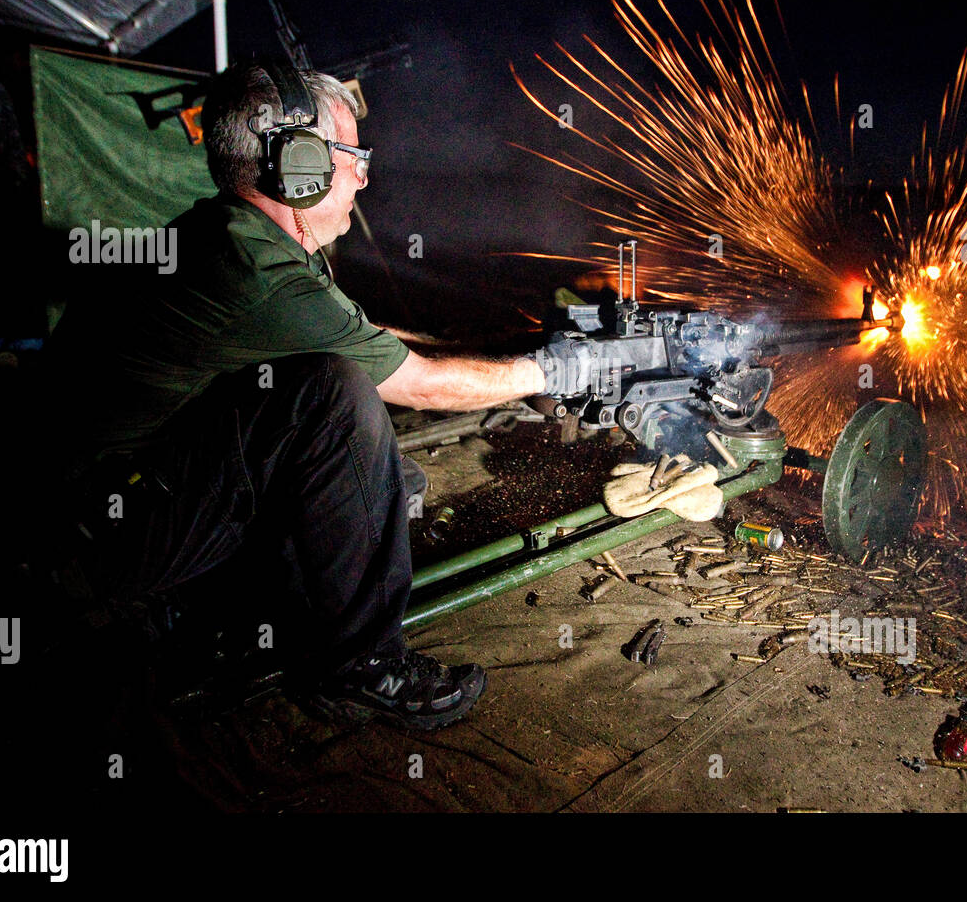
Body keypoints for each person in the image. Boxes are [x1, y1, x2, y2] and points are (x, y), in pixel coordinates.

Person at [47, 61, 584, 731]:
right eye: (351, 154)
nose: (363, 175)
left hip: (103, 501)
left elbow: (356, 331)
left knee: (388, 477)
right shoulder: (254, 273)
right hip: (101, 547)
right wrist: (556, 371)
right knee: (336, 398)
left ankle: (229, 602)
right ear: (295, 164)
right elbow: (418, 384)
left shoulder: (227, 236)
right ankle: (360, 666)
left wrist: (468, 342)